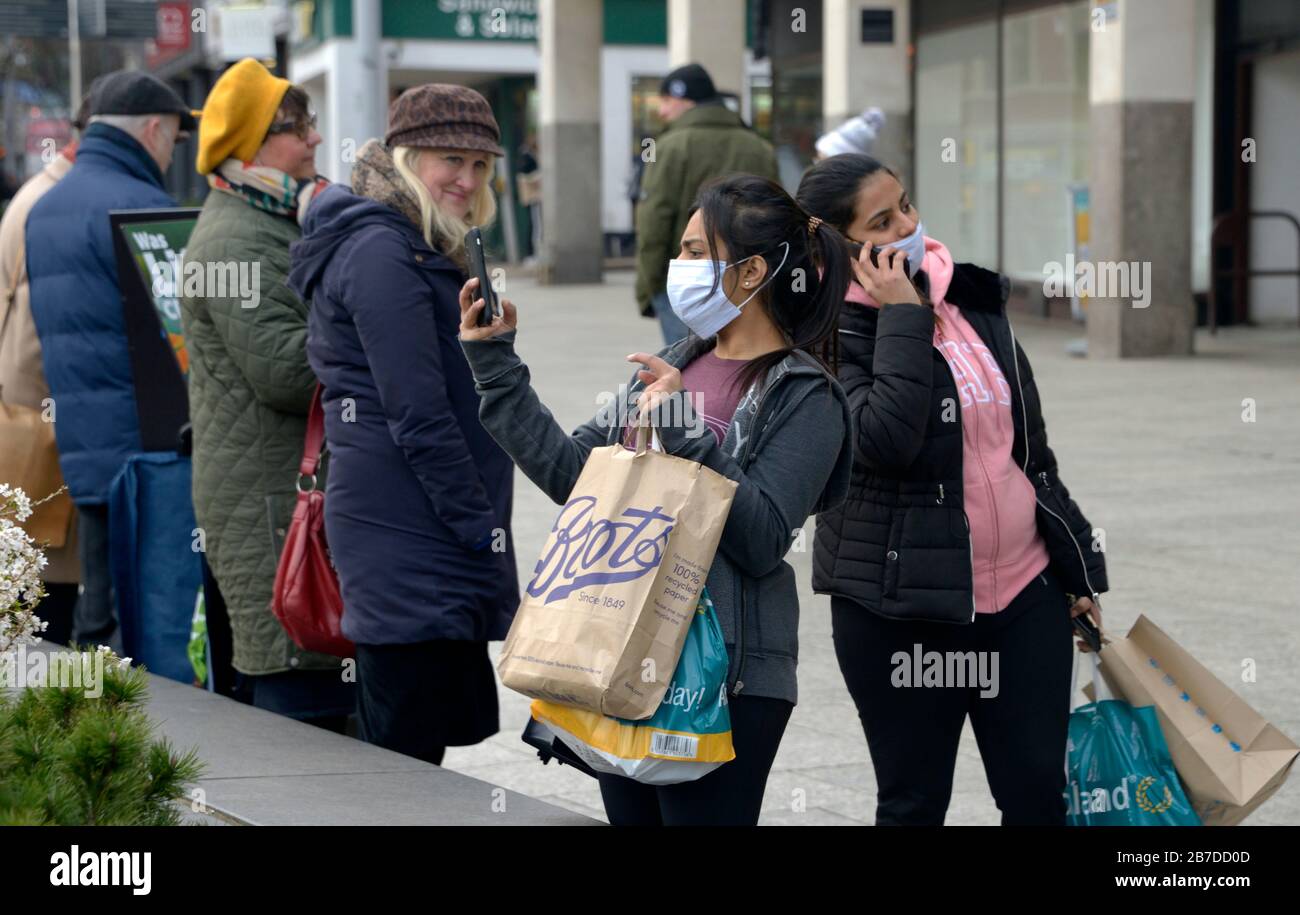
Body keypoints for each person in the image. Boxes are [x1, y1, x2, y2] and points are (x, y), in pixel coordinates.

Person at [459, 174, 854, 826]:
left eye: (698, 251)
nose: (681, 266)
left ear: (752, 270)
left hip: (725, 677)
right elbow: (571, 473)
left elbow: (762, 538)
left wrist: (682, 427)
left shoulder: (807, 397)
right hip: (627, 654)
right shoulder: (678, 358)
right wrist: (495, 362)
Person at [797, 154, 1108, 825]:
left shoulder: (972, 301)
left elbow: (1031, 451)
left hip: (1025, 595)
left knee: (1037, 796)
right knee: (914, 802)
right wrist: (903, 316)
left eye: (906, 205)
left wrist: (1076, 565)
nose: (909, 225)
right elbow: (884, 440)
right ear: (837, 243)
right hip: (902, 609)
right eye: (883, 221)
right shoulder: (822, 336)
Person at [288, 84, 519, 764]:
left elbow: (449, 382)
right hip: (406, 530)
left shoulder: (418, 242)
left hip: (425, 525)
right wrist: (480, 529)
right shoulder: (381, 252)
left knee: (422, 750)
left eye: (481, 165)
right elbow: (418, 413)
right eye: (451, 159)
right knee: (401, 759)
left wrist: (492, 345)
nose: (468, 179)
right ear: (408, 156)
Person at [179, 58, 349, 726]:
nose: (312, 137)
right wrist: (373, 326)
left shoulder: (274, 216)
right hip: (270, 504)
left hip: (286, 491)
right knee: (296, 687)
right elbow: (286, 372)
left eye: (309, 121)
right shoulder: (233, 240)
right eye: (294, 125)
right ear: (247, 145)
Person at [25, 70, 196, 652]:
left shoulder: (43, 210)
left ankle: (86, 727)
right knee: (153, 620)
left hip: (85, 449)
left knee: (95, 615)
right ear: (152, 128)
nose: (173, 150)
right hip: (151, 457)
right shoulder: (144, 207)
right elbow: (181, 342)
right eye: (174, 136)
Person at [0, 94, 93, 647]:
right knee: (43, 615)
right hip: (40, 442)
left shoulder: (39, 197)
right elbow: (34, 342)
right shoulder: (53, 201)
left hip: (26, 435)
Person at [635, 63, 780, 345]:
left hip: (690, 281)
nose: (662, 111)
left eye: (666, 100)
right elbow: (775, 216)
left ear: (686, 100)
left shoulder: (669, 147)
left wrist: (649, 287)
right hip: (750, 281)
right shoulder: (759, 146)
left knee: (690, 372)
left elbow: (654, 221)